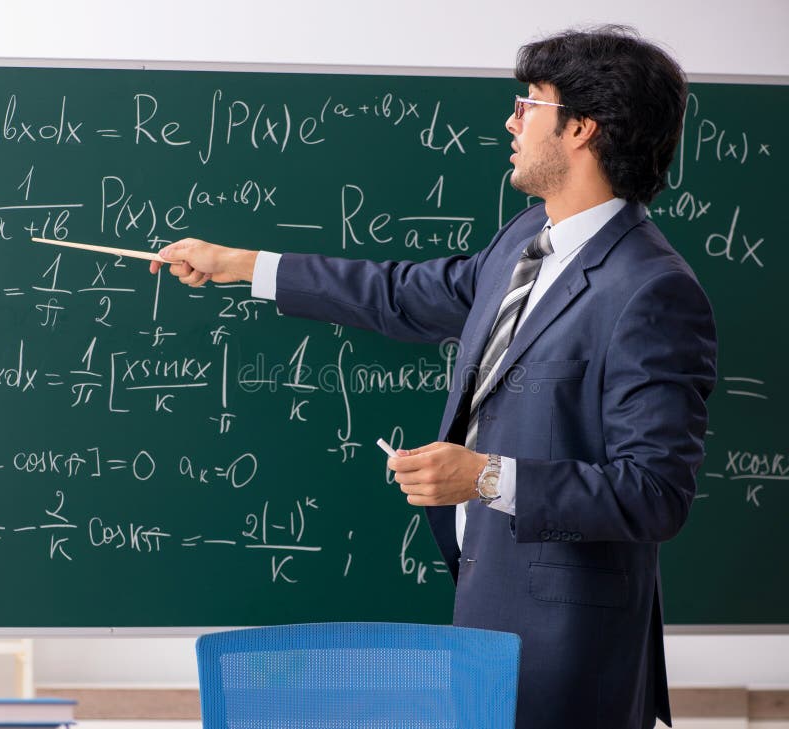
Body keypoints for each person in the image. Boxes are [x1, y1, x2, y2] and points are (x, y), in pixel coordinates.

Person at [150, 26, 717, 729]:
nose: (512, 120)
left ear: (581, 129)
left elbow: (657, 494)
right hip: (485, 622)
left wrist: (485, 477)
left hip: (572, 656)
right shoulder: (523, 241)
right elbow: (400, 292)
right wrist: (240, 263)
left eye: (530, 103)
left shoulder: (651, 290)